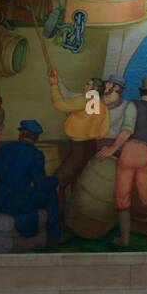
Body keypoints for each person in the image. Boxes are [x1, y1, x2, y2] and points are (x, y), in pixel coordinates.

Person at [96, 76, 147, 246]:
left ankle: (125, 240)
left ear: (141, 91)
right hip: (145, 153)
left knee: (123, 196)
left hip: (129, 151)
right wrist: (146, 149)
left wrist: (112, 148)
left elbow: (127, 130)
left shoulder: (132, 105)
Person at [0, 120, 61, 247]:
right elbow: (41, 184)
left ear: (22, 134)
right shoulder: (36, 154)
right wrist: (56, 181)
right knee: (50, 194)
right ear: (36, 137)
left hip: (0, 201)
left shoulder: (4, 149)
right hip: (20, 203)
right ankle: (54, 238)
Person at [47, 66, 109, 211]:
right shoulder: (102, 106)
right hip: (90, 147)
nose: (85, 86)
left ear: (94, 90)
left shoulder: (85, 100)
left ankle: (58, 221)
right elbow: (104, 131)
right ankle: (72, 219)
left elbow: (60, 105)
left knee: (57, 183)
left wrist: (54, 86)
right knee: (77, 183)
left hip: (78, 149)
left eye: (88, 84)